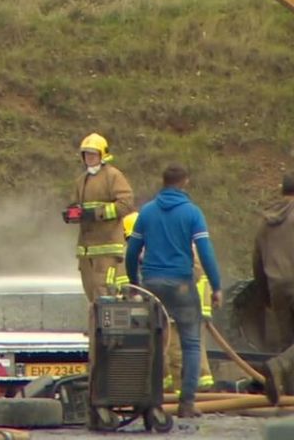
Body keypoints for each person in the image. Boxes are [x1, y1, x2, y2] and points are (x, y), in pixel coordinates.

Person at [125, 164, 222, 418]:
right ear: (185, 182)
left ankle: (151, 402)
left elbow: (132, 251)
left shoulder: (146, 212)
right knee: (190, 343)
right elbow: (205, 251)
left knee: (152, 344)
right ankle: (187, 403)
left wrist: (135, 283)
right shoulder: (192, 213)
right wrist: (217, 286)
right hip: (181, 284)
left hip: (152, 285)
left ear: (164, 182)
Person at [125, 213, 214, 393]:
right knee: (170, 350)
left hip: (184, 306)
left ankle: (184, 394)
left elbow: (192, 272)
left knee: (178, 351)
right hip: (174, 309)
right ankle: (176, 390)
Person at [64, 133, 135, 302]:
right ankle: (94, 327)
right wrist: (72, 214)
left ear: (103, 155)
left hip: (107, 246)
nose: (89, 158)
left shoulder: (113, 176)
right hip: (86, 249)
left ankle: (105, 328)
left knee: (104, 293)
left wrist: (97, 214)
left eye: (93, 154)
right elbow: (77, 205)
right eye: (86, 154)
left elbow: (125, 204)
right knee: (91, 294)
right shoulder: (82, 180)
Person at [254, 174, 294, 403]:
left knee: (287, 342)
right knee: (287, 354)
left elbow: (257, 260)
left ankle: (289, 400)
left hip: (276, 287)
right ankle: (279, 365)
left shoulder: (267, 221)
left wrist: (265, 294)